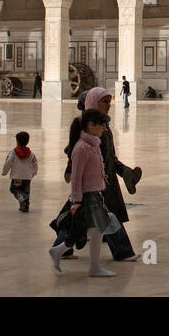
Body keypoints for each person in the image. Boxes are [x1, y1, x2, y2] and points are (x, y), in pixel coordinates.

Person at [49, 108, 116, 276]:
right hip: (87, 197)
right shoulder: (81, 148)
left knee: (89, 231)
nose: (104, 129)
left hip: (95, 194)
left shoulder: (92, 145)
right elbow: (76, 177)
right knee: (96, 231)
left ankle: (58, 251)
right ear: (91, 125)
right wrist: (76, 201)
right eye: (102, 125)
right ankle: (93, 268)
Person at [80, 87, 142, 262]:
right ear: (93, 102)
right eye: (104, 102)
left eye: (109, 101)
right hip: (94, 180)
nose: (109, 105)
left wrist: (122, 171)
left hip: (105, 176)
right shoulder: (86, 125)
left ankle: (62, 247)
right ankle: (123, 252)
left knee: (85, 215)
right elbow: (73, 150)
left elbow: (109, 155)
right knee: (108, 213)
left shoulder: (103, 125)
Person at [2, 130, 38, 213]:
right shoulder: (31, 153)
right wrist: (34, 172)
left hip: (17, 177)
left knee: (14, 190)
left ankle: (24, 201)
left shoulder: (13, 153)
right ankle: (25, 206)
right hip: (28, 177)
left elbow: (8, 162)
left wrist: (4, 172)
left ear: (17, 141)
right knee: (25, 191)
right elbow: (35, 163)